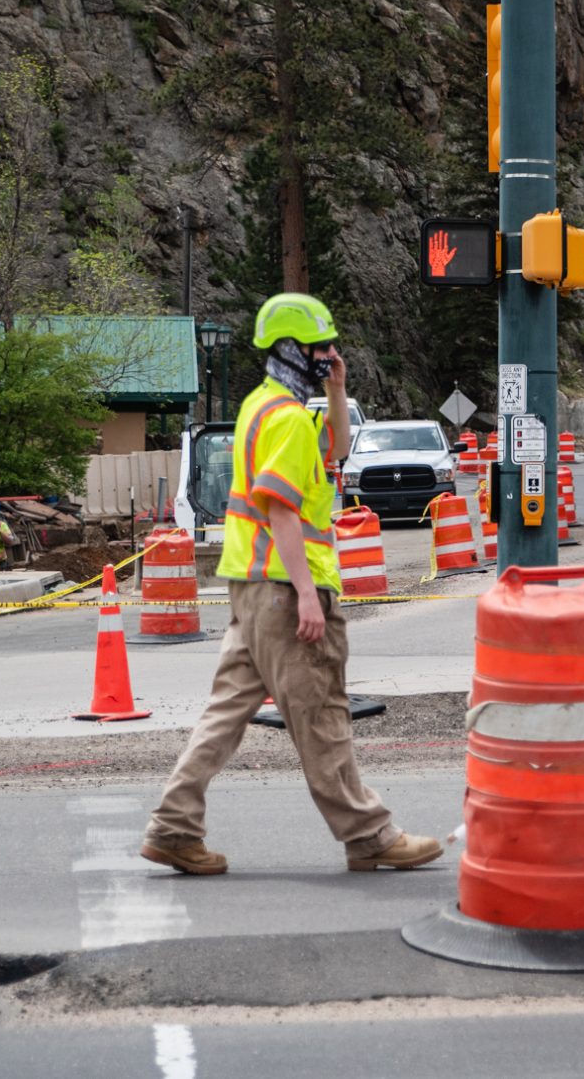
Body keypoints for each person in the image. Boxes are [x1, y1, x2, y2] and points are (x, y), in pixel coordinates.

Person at [141, 292, 442, 877]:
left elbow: (337, 449)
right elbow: (280, 508)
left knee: (227, 711)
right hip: (285, 589)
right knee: (322, 712)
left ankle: (173, 827)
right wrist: (306, 594)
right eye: (320, 348)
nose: (330, 355)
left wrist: (337, 389)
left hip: (253, 585)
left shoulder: (265, 407)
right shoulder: (286, 419)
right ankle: (369, 835)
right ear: (291, 350)